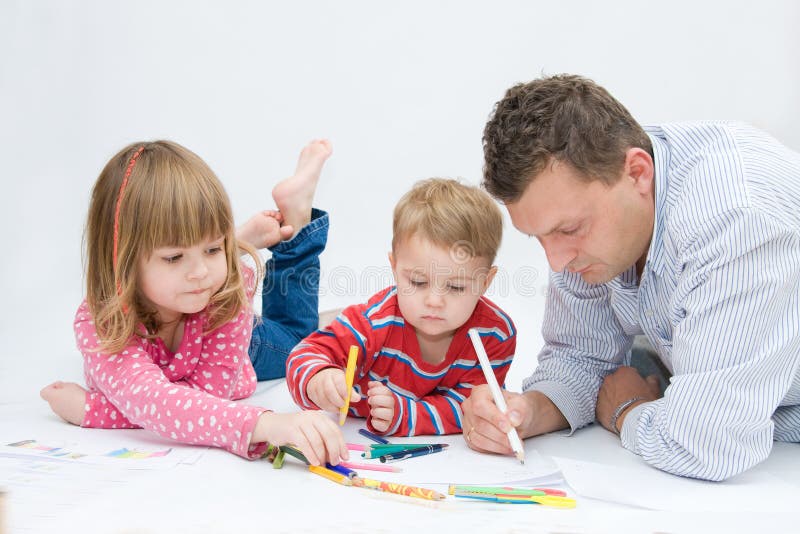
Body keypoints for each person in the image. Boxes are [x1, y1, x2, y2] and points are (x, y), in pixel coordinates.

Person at [462, 74, 800, 481]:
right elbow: (581, 356)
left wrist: (629, 410)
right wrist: (528, 412)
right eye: (539, 238)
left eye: (568, 230)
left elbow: (708, 443)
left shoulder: (735, 220)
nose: (556, 261)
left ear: (638, 173)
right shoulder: (604, 209)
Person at [40, 139, 348, 466]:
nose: (200, 272)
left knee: (301, 344)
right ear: (122, 262)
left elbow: (200, 400)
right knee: (298, 335)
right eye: (174, 257)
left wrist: (93, 410)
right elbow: (153, 402)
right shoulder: (102, 322)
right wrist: (266, 424)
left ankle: (292, 221)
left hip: (233, 337)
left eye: (213, 248)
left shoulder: (219, 290)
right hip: (200, 336)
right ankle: (240, 245)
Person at [286, 179, 516, 436]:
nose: (434, 301)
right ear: (394, 267)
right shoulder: (372, 322)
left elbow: (470, 408)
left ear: (485, 282)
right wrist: (319, 378)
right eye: (418, 282)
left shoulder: (494, 335)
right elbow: (303, 354)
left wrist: (404, 415)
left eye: (456, 287)